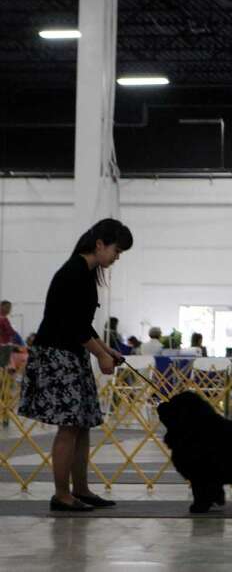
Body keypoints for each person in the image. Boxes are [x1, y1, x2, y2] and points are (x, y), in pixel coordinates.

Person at [19, 218, 132, 511]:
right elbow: (73, 326)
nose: (118, 257)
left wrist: (108, 350)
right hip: (57, 355)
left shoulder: (85, 273)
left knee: (82, 426)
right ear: (99, 245)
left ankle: (80, 490)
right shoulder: (74, 273)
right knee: (69, 427)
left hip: (71, 354)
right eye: (117, 250)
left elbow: (84, 324)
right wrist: (101, 355)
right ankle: (61, 494)